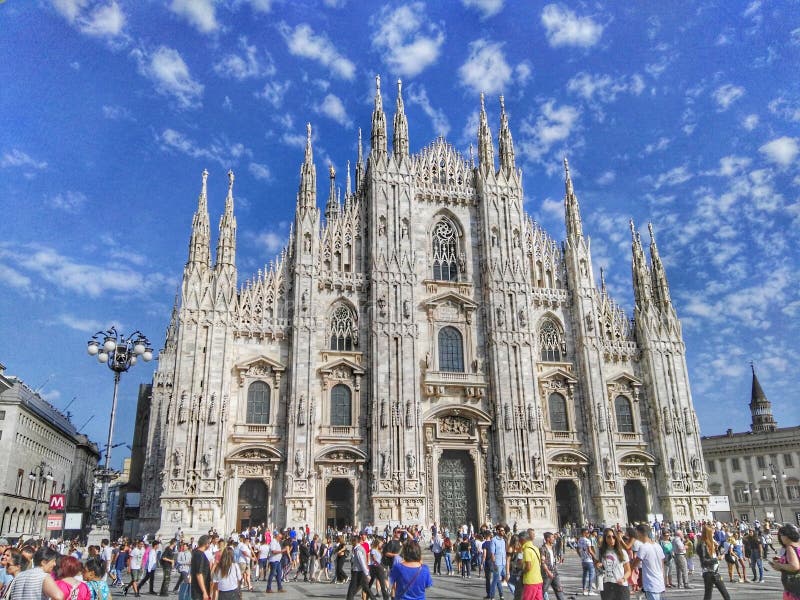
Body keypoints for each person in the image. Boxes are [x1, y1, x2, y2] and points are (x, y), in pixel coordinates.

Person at [695, 524, 730, 600]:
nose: (714, 534)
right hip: (709, 573)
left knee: (710, 596)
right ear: (708, 534)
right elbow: (704, 561)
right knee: (724, 595)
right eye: (712, 532)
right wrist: (717, 559)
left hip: (714, 571)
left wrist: (717, 550)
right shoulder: (703, 544)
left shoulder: (708, 543)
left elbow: (711, 555)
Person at [630, 524, 665, 600]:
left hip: (651, 584)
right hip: (660, 583)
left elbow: (634, 564)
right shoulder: (658, 546)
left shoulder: (643, 547)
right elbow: (662, 566)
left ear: (639, 533)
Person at [597, 528, 630, 600]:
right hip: (607, 585)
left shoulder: (622, 552)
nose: (612, 539)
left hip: (621, 586)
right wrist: (598, 565)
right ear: (605, 538)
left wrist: (623, 579)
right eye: (609, 537)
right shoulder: (601, 552)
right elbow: (597, 565)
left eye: (613, 537)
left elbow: (628, 571)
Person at [771, 523, 800, 600]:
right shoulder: (797, 545)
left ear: (786, 536)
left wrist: (780, 565)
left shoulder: (790, 547)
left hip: (793, 589)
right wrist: (782, 560)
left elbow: (795, 566)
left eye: (781, 535)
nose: (780, 538)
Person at [345, 533, 375, 600]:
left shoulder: (358, 550)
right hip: (360, 572)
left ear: (354, 541)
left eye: (351, 541)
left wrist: (367, 573)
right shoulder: (359, 548)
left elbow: (362, 562)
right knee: (366, 589)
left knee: (351, 592)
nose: (350, 542)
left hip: (357, 572)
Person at [540, 532, 565, 600]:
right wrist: (548, 572)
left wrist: (555, 566)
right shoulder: (543, 549)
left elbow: (553, 559)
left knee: (559, 590)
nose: (554, 539)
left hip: (554, 572)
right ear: (548, 539)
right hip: (546, 574)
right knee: (542, 591)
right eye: (552, 537)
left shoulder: (553, 547)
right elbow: (543, 563)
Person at [521, 529, 543, 600]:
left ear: (523, 539)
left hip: (530, 581)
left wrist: (522, 572)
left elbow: (528, 567)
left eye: (519, 540)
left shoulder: (527, 550)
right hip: (538, 579)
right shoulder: (535, 548)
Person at [577, 528, 597, 596]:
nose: (588, 534)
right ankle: (590, 590)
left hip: (583, 560)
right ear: (584, 533)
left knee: (584, 575)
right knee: (591, 575)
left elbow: (577, 549)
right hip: (589, 560)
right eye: (587, 533)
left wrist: (581, 555)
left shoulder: (579, 540)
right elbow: (590, 551)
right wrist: (595, 558)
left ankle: (584, 590)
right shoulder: (588, 540)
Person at [191, 535, 212, 600]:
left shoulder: (196, 553)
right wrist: (204, 591)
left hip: (198, 587)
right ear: (206, 543)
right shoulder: (200, 555)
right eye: (209, 543)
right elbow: (199, 574)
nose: (210, 545)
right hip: (199, 590)